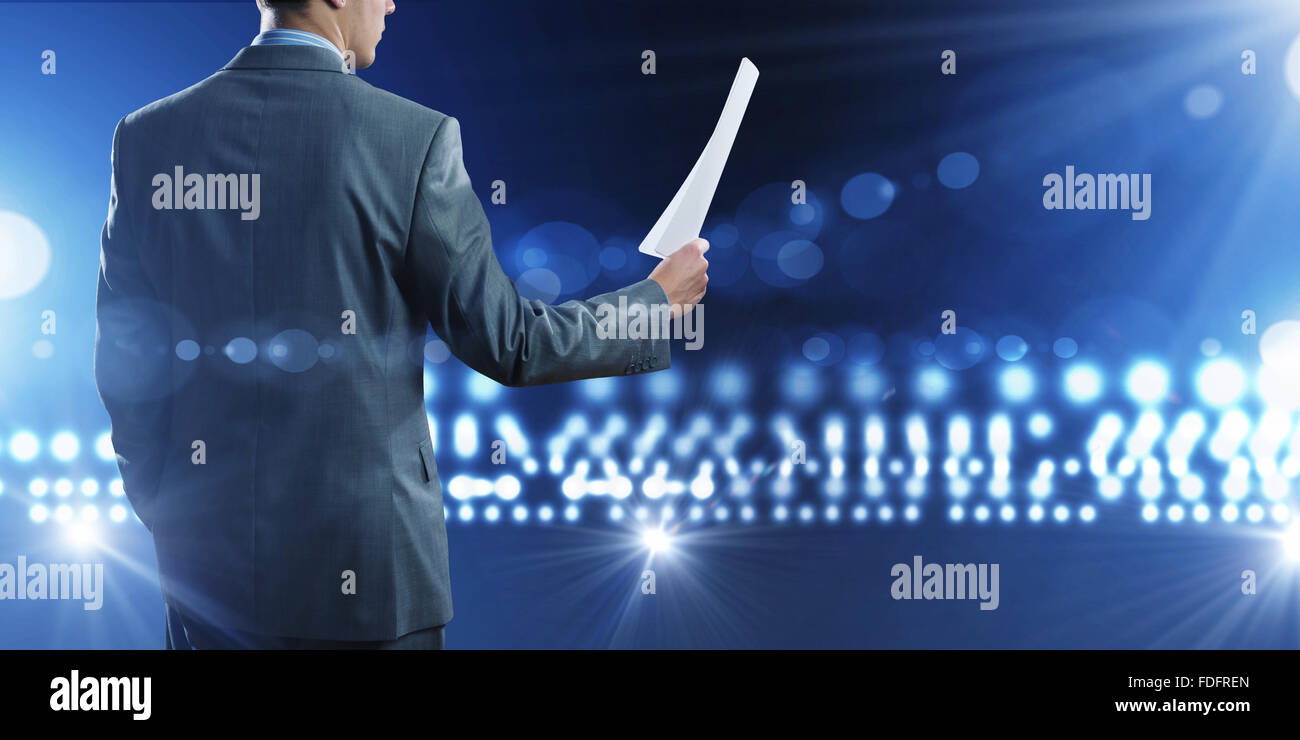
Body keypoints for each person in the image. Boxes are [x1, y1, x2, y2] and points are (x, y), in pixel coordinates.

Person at [94, 0, 709, 649]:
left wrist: (167, 511)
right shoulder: (411, 139)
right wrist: (653, 303)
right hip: (371, 583)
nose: (390, 4)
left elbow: (126, 358)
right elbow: (510, 342)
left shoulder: (146, 137)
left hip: (206, 582)